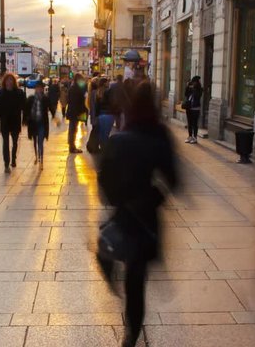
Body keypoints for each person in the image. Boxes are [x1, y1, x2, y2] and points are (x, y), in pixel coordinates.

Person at [97, 81, 179, 347]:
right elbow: (174, 181)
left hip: (123, 215)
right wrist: (155, 195)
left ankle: (108, 265)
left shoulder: (119, 138)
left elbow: (104, 182)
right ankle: (131, 335)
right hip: (146, 222)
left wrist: (118, 198)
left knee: (110, 246)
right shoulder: (160, 135)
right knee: (136, 281)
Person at [0, 73, 26, 173]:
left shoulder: (19, 93)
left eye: (11, 80)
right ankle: (6, 163)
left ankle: (13, 158)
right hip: (5, 121)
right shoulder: (0, 93)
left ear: (14, 81)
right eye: (7, 80)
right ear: (4, 82)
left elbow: (24, 106)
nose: (9, 82)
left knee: (15, 142)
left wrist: (25, 118)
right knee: (6, 143)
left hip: (15, 121)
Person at [23, 81, 55, 170]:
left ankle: (41, 160)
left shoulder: (45, 98)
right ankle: (36, 156)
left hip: (42, 123)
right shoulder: (31, 98)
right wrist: (24, 120)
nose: (39, 89)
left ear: (42, 89)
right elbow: (26, 110)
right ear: (35, 89)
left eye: (40, 88)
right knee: (34, 141)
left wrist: (54, 115)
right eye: (37, 87)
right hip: (33, 123)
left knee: (40, 142)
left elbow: (51, 107)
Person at [66, 73, 88, 153]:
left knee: (72, 129)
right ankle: (72, 147)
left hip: (72, 111)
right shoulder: (77, 89)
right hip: (75, 112)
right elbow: (78, 101)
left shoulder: (73, 88)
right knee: (73, 129)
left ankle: (71, 145)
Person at [184, 76, 203, 144]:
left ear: (197, 82)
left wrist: (194, 88)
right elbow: (185, 94)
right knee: (189, 123)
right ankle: (190, 136)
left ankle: (195, 137)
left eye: (194, 82)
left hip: (195, 109)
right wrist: (187, 87)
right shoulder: (190, 88)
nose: (193, 84)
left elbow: (197, 96)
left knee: (195, 123)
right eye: (192, 82)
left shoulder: (199, 89)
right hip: (189, 108)